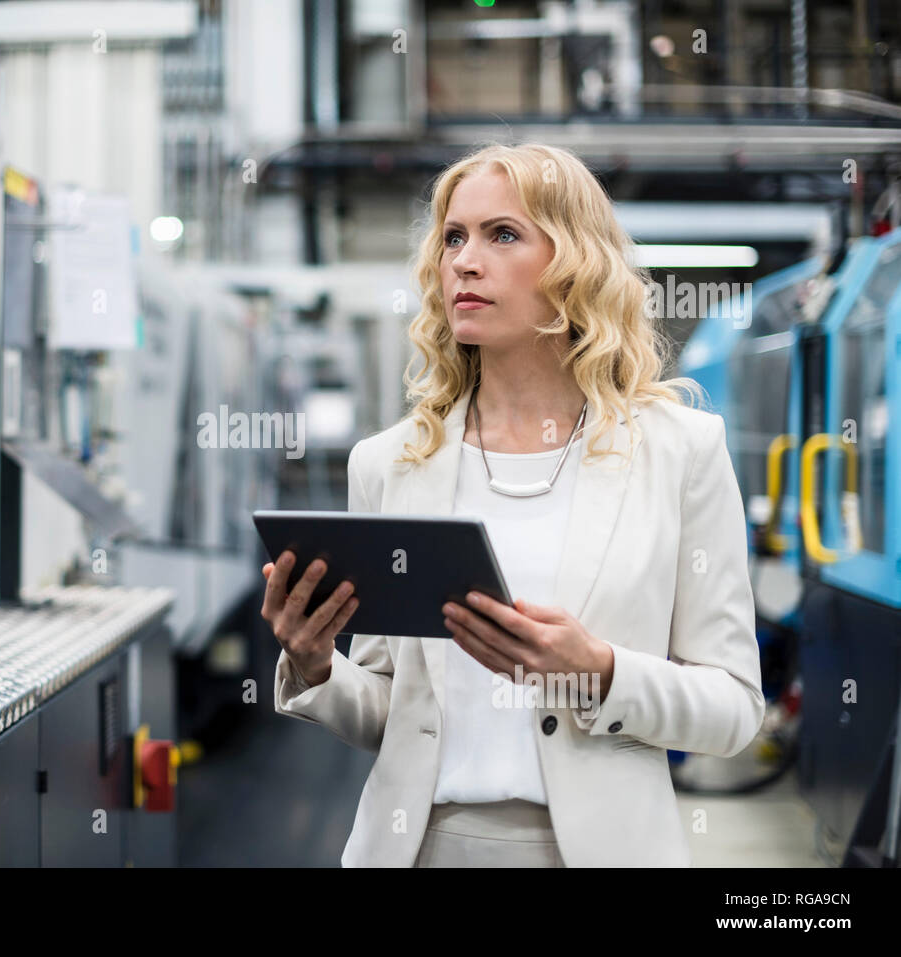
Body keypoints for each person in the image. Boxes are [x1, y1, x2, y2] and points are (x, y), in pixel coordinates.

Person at [261, 142, 765, 867]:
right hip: (420, 848)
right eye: (453, 238)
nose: (465, 260)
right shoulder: (391, 464)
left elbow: (734, 708)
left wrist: (597, 670)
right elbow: (386, 710)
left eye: (503, 234)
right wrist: (313, 664)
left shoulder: (679, 452)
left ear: (576, 263)